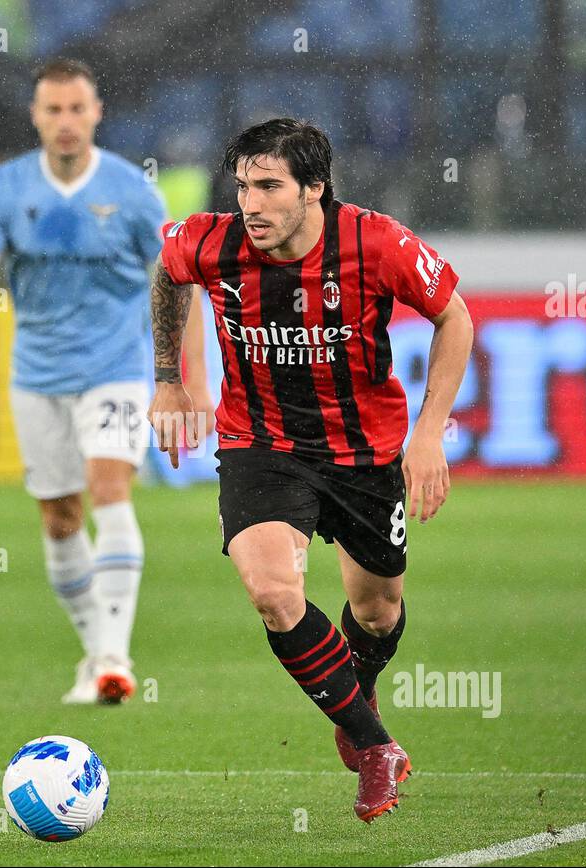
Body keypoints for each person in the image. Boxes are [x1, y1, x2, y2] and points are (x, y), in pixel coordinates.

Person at [148, 119, 473, 823]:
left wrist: (429, 434)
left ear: (314, 190)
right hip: (259, 444)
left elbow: (456, 318)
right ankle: (375, 743)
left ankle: (357, 687)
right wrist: (169, 378)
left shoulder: (375, 242)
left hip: (364, 454)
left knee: (376, 612)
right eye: (242, 187)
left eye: (269, 186)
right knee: (272, 591)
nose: (251, 204)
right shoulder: (211, 240)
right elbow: (168, 274)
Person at [0, 58, 208, 704]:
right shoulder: (7, 189)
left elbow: (181, 282)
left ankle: (115, 657)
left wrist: (189, 382)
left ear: (97, 113)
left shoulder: (133, 191)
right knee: (61, 517)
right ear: (36, 116)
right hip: (36, 376)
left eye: (76, 109)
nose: (65, 121)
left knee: (109, 488)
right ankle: (95, 652)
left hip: (114, 368)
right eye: (53, 110)